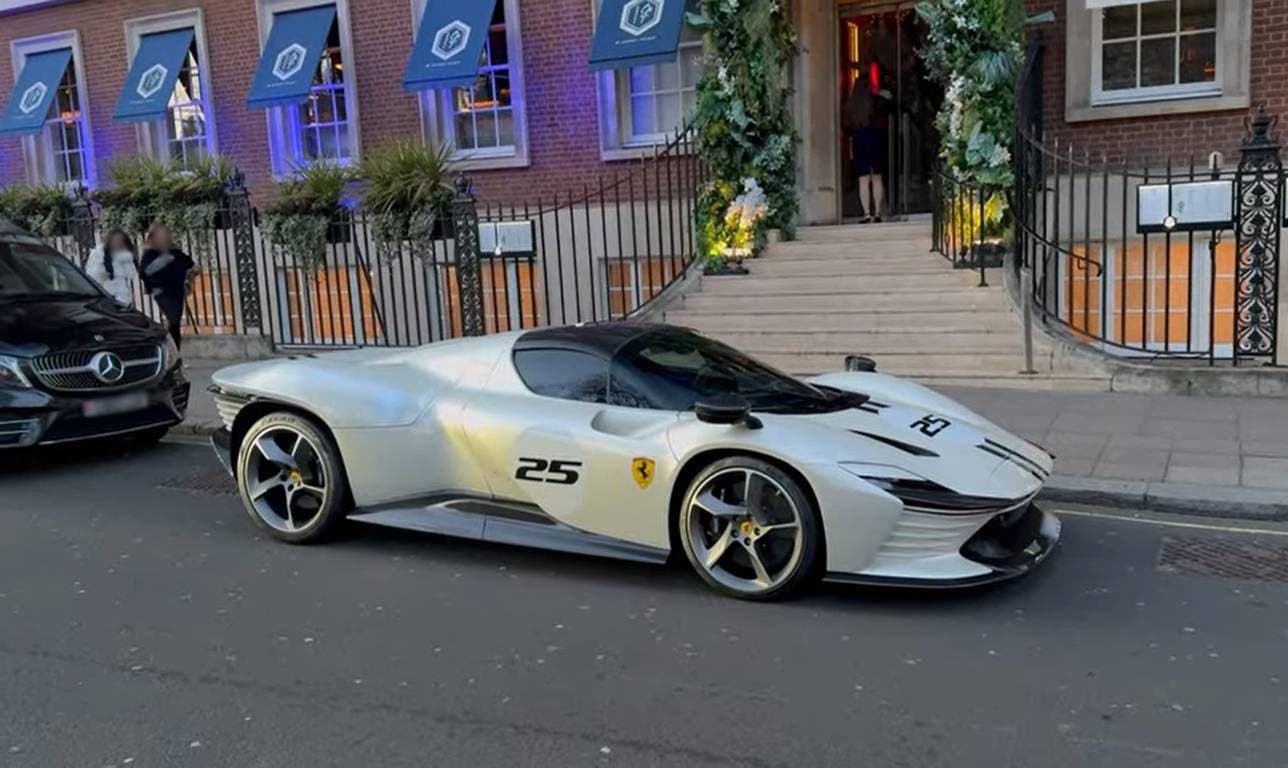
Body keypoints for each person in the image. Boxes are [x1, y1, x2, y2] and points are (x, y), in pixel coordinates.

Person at [843, 61, 894, 223]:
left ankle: (866, 213)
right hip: (875, 134)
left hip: (859, 136)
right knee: (877, 176)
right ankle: (877, 212)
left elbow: (848, 118)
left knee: (863, 178)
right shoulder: (878, 94)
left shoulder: (855, 97)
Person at [139, 224, 194, 349]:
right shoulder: (150, 252)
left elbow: (188, 264)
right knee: (173, 319)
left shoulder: (174, 250)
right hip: (161, 290)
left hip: (177, 289)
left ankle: (174, 351)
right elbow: (144, 272)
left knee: (175, 322)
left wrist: (188, 277)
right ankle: (169, 349)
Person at [85, 229, 138, 305]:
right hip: (105, 295)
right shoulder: (99, 253)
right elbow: (90, 275)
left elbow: (131, 273)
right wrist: (102, 272)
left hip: (123, 296)